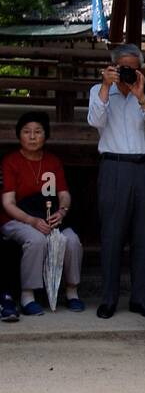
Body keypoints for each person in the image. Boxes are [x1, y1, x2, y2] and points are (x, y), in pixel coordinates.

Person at [88, 43, 145, 319]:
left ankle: (140, 299)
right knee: (112, 235)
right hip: (113, 165)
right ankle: (109, 299)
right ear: (113, 67)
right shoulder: (99, 92)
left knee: (143, 236)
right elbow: (95, 120)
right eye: (124, 68)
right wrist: (106, 87)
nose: (129, 72)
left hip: (142, 167)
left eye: (134, 68)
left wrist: (141, 97)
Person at [1, 111, 85, 314]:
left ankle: (72, 291)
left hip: (49, 217)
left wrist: (62, 212)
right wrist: (31, 220)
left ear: (45, 135)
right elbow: (8, 202)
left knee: (72, 241)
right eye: (26, 132)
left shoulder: (52, 162)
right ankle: (28, 295)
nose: (32, 136)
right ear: (18, 135)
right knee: (36, 240)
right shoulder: (11, 161)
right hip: (17, 218)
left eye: (37, 132)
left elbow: (64, 194)